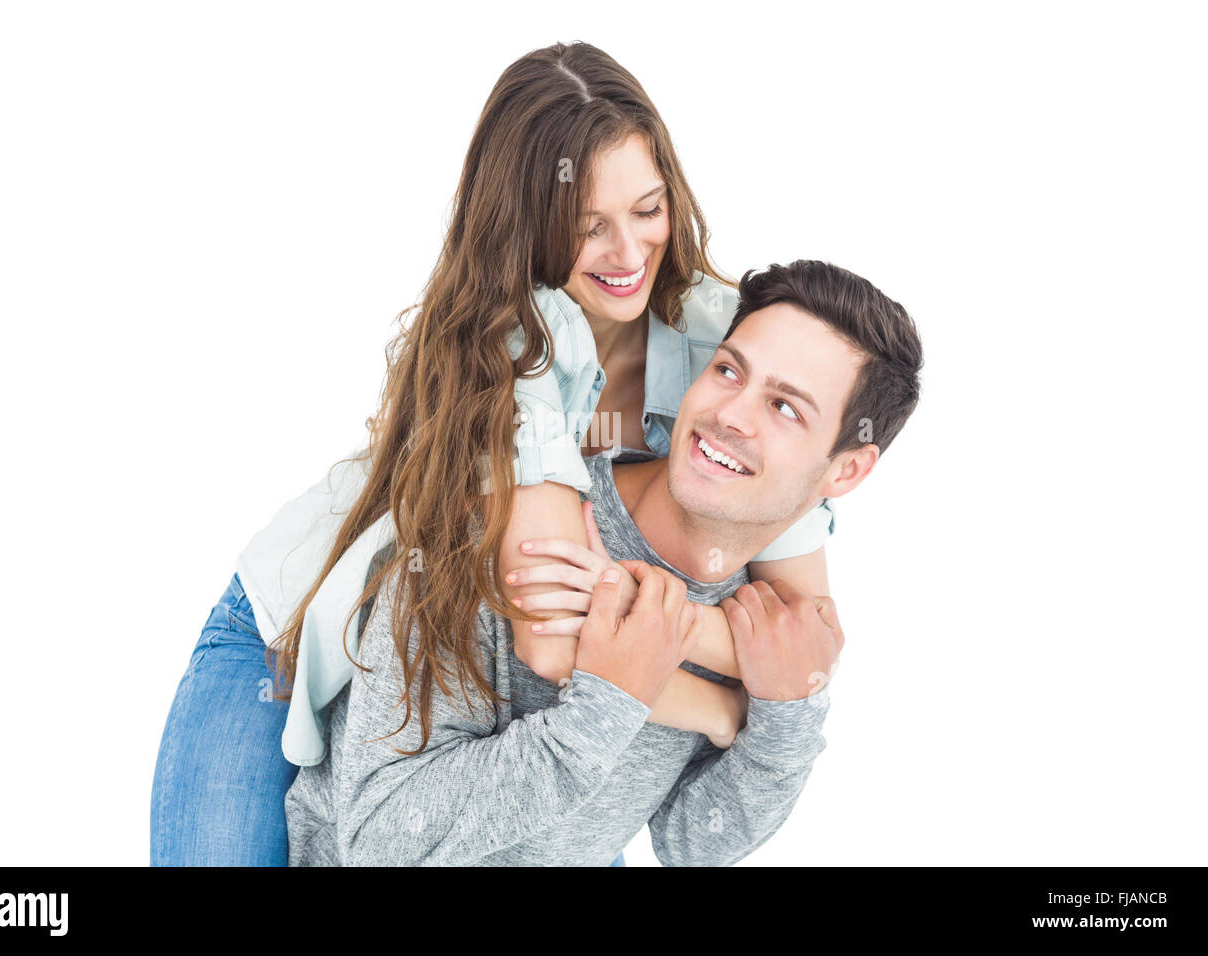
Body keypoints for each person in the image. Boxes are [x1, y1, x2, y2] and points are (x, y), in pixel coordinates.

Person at [151, 41, 837, 867]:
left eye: (648, 210)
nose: (629, 255)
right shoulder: (507, 347)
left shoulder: (730, 343)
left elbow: (807, 635)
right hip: (302, 636)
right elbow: (550, 637)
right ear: (530, 225)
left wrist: (661, 643)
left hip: (511, 697)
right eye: (590, 227)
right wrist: (727, 709)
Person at [285, 259, 923, 865]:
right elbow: (377, 834)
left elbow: (690, 844)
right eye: (729, 371)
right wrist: (610, 701)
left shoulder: (757, 629)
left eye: (785, 407)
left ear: (847, 469)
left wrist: (782, 720)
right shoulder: (513, 527)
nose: (730, 415)